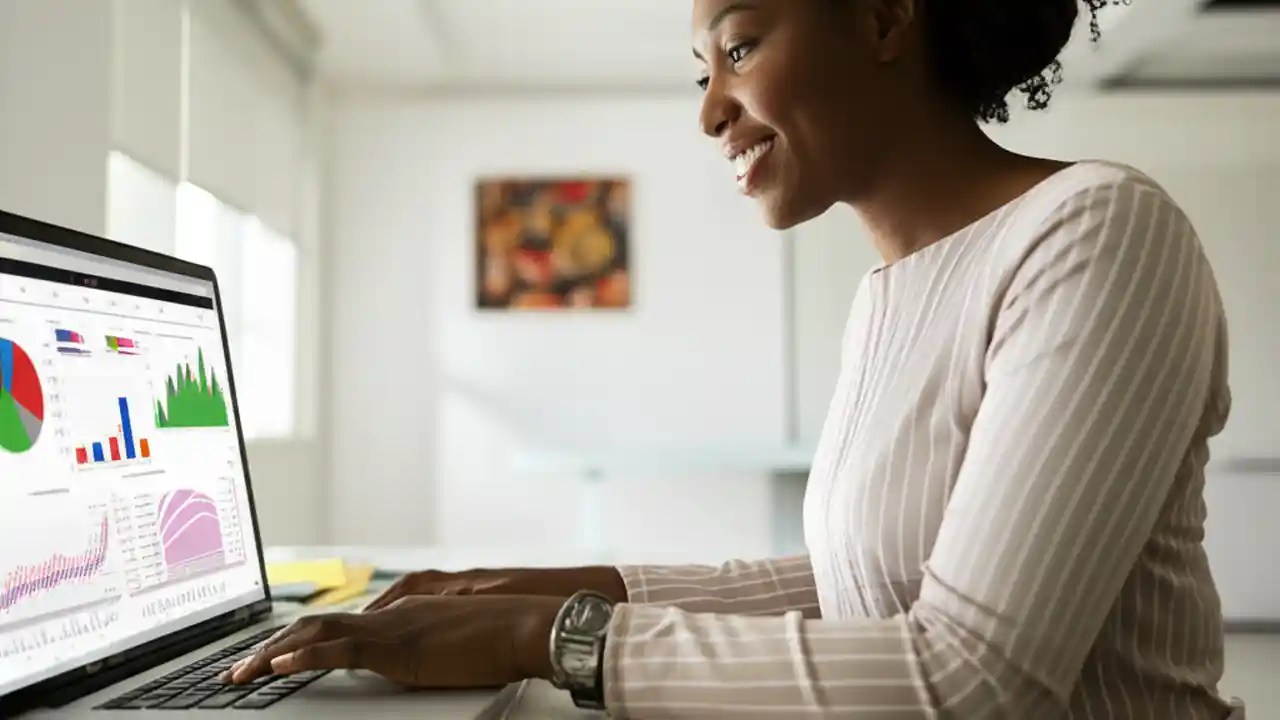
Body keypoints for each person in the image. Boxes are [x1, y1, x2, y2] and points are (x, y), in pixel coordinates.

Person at [224, 0, 1244, 717]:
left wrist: (550, 635)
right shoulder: (884, 297)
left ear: (885, 17)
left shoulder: (1095, 230)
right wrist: (580, 585)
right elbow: (872, 584)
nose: (710, 110)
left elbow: (968, 680)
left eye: (739, 48)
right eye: (702, 72)